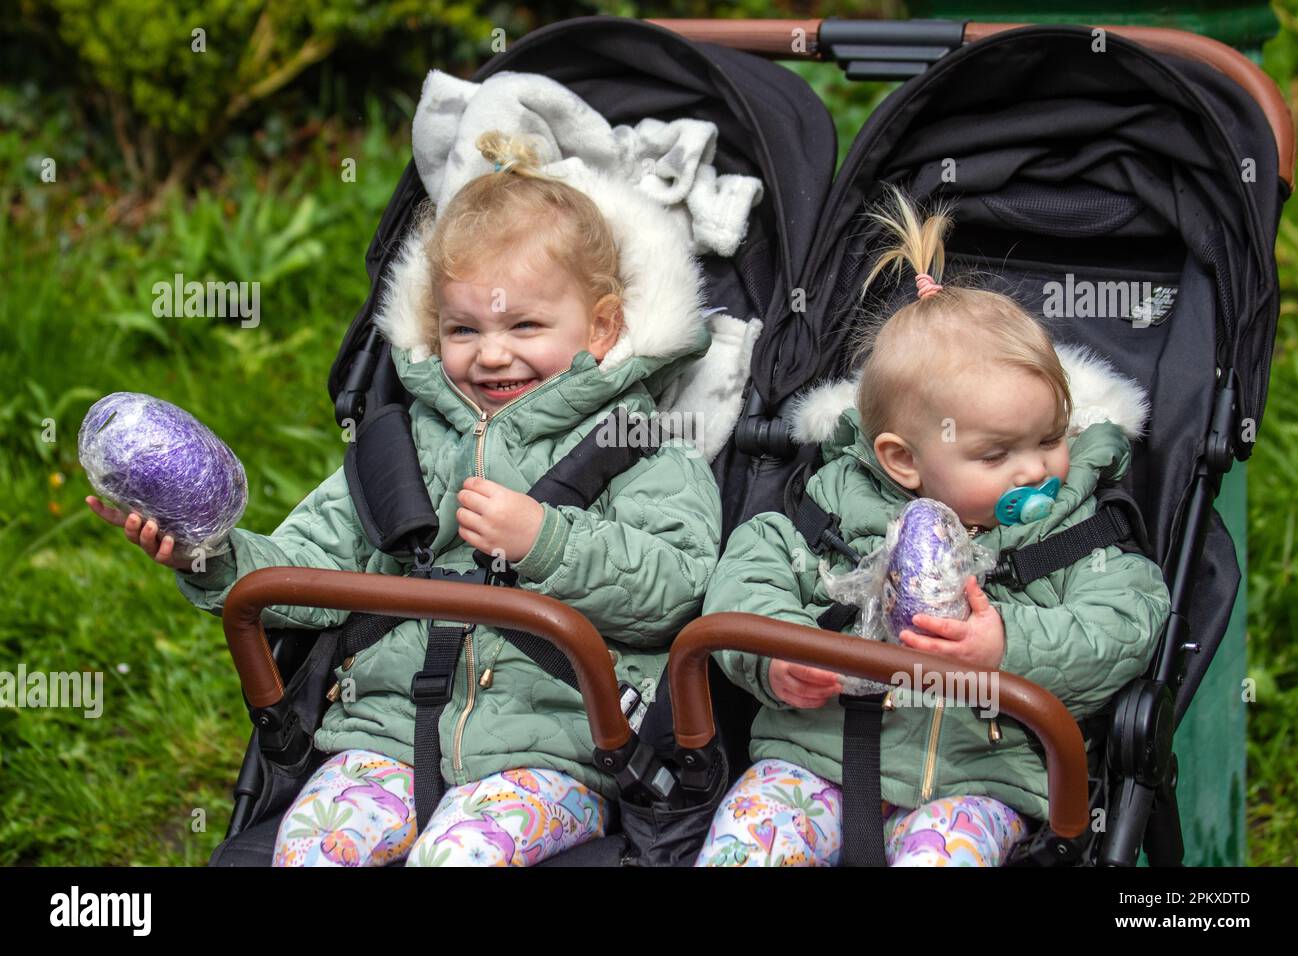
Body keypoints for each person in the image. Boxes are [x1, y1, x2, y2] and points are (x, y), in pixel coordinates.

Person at [88, 130, 721, 867]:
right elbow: (308, 570)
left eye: (524, 326)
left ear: (602, 326)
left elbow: (679, 585)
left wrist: (548, 541)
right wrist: (208, 553)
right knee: (307, 851)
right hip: (380, 737)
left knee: (456, 857)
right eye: (463, 329)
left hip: (550, 751)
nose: (490, 353)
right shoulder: (402, 447)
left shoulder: (640, 442)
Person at [696, 186, 1171, 867]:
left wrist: (1009, 646)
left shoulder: (1074, 531)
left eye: (1049, 437)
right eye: (996, 454)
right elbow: (748, 575)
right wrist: (775, 657)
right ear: (903, 459)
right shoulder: (830, 509)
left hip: (980, 784)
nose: (1035, 470)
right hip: (816, 762)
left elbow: (1129, 619)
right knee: (746, 842)